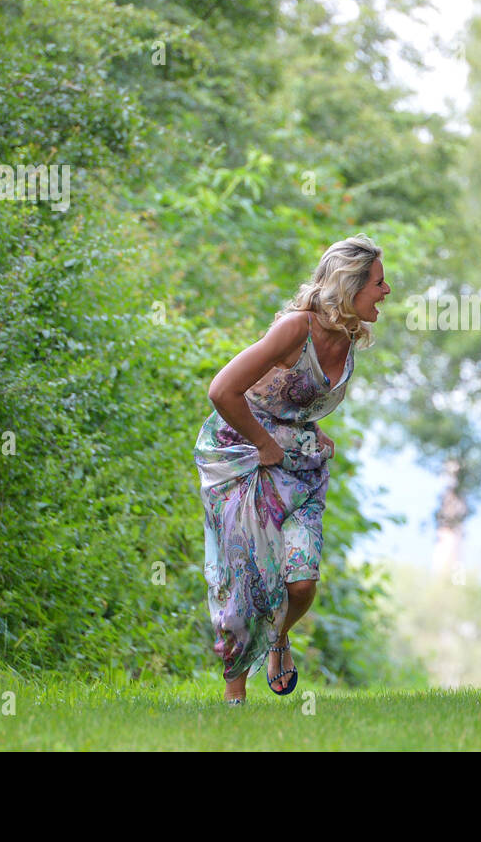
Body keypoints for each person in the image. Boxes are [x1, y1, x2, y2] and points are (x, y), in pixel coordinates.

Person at [194, 235, 389, 704]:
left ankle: (279, 638)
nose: (386, 292)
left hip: (299, 463)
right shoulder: (294, 329)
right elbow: (222, 391)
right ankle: (234, 697)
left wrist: (311, 429)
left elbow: (293, 396)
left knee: (301, 584)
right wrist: (264, 443)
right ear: (350, 285)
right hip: (241, 456)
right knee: (247, 578)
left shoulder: (347, 335)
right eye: (379, 283)